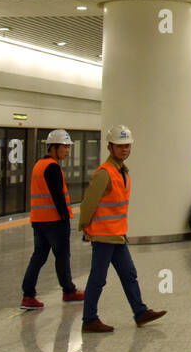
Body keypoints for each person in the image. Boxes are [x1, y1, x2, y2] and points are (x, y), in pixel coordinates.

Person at [79, 124, 167, 333]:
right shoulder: (104, 173)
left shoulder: (122, 171)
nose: (124, 150)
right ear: (110, 147)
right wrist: (84, 227)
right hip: (103, 235)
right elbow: (88, 203)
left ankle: (140, 312)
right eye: (120, 146)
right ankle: (89, 319)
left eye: (127, 146)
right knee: (98, 278)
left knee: (129, 273)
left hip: (117, 234)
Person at [20, 129, 84, 308]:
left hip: (38, 220)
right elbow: (58, 196)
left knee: (38, 257)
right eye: (64, 147)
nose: (67, 151)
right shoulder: (53, 167)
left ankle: (28, 295)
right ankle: (69, 291)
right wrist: (65, 217)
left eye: (68, 147)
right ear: (53, 147)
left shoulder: (38, 165)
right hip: (54, 221)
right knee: (62, 256)